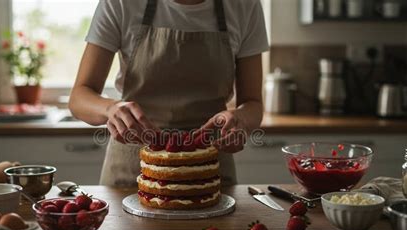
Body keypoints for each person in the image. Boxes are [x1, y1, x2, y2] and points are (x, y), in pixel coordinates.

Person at [69, 0, 269, 186]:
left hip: (211, 176)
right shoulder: (120, 3)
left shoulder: (245, 5)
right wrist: (110, 109)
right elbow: (79, 97)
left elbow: (253, 104)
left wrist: (240, 118)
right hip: (130, 174)